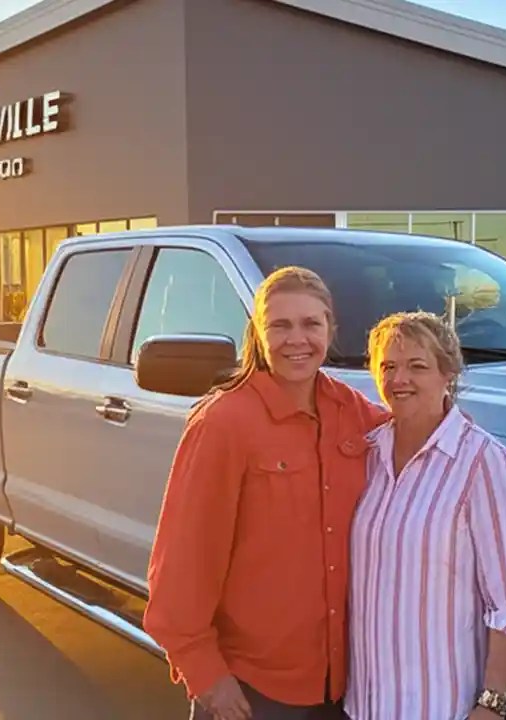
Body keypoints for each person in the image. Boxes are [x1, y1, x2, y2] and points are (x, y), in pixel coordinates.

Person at [144, 266, 389, 720]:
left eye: (311, 324)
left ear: (331, 329)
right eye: (280, 325)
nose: (297, 339)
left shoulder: (352, 412)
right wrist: (205, 674)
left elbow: (419, 437)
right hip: (253, 687)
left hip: (342, 684)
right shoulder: (223, 423)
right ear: (257, 332)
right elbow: (182, 561)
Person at [346, 311, 506, 720]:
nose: (400, 380)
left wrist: (492, 703)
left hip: (439, 705)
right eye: (388, 367)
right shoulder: (366, 455)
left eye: (417, 366)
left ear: (448, 373)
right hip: (365, 704)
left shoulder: (484, 462)